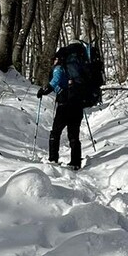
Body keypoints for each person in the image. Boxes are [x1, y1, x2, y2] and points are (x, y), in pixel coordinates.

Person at [38, 42, 90, 170]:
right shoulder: (76, 70)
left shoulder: (59, 69)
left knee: (55, 132)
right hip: (77, 103)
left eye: (55, 58)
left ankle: (53, 159)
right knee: (74, 135)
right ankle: (75, 162)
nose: (53, 61)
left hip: (64, 105)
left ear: (59, 58)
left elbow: (55, 81)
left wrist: (43, 91)